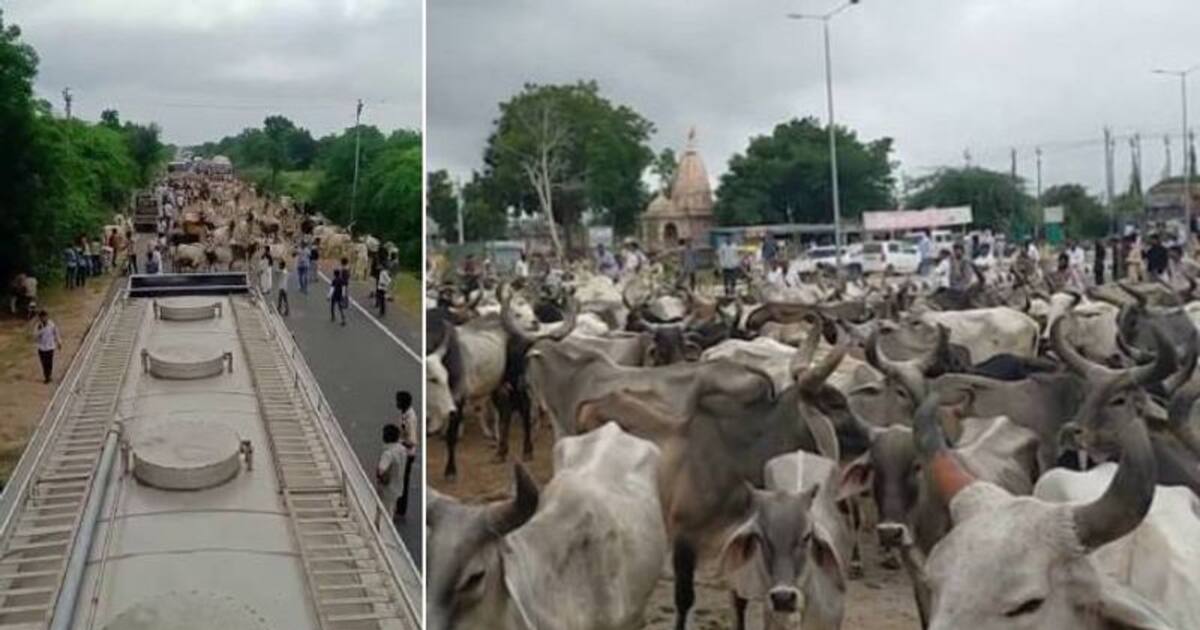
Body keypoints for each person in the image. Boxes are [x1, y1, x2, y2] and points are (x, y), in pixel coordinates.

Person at [393, 390, 419, 518]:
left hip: (407, 454)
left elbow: (412, 441)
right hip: (403, 453)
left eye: (398, 401)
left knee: (403, 481)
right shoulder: (404, 414)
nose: (396, 403)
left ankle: (401, 508)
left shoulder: (410, 418)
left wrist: (399, 442)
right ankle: (399, 505)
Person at [375, 424, 408, 521]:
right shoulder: (402, 449)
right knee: (391, 509)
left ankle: (382, 531)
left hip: (387, 488)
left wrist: (378, 475)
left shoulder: (388, 453)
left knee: (384, 511)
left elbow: (381, 470)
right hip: (397, 486)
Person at [33, 309, 61, 384]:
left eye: (45, 317)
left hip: (50, 347)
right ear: (40, 318)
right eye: (42, 317)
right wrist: (40, 330)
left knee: (49, 362)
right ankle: (47, 377)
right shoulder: (38, 326)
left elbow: (56, 333)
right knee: (44, 363)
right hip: (41, 348)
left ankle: (49, 375)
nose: (44, 319)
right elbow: (35, 337)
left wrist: (59, 342)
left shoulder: (52, 324)